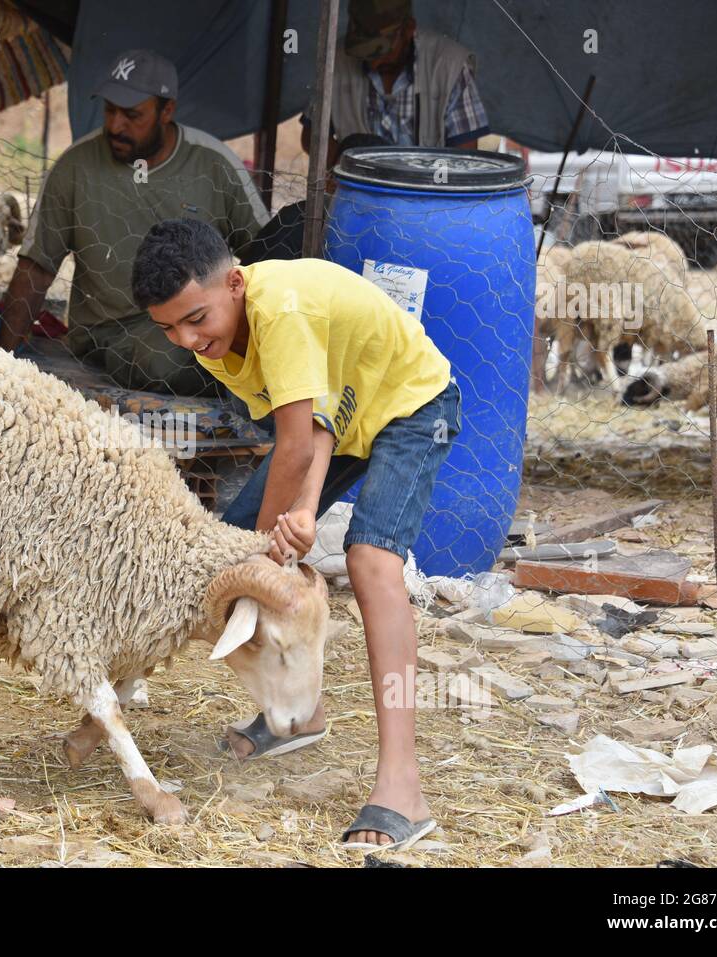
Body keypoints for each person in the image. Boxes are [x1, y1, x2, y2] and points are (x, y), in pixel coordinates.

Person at [131, 218, 461, 851]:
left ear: (234, 283)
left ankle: (403, 786)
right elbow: (318, 418)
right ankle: (301, 713)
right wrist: (298, 515)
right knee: (230, 541)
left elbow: (292, 445)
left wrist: (258, 561)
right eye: (168, 328)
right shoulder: (222, 337)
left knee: (369, 561)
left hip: (413, 406)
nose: (186, 340)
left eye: (196, 319)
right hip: (346, 413)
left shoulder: (278, 308)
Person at [0, 49, 269, 397]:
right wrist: (1, 361)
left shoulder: (214, 163)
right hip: (110, 331)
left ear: (166, 111)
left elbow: (265, 252)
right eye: (109, 110)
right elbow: (36, 268)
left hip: (195, 319)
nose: (115, 125)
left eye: (131, 115)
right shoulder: (75, 167)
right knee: (162, 361)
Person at [302, 0, 489, 152]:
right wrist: (341, 168)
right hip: (356, 193)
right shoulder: (336, 60)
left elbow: (465, 158)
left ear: (408, 29)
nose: (373, 63)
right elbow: (312, 136)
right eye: (365, 53)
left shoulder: (450, 67)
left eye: (381, 51)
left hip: (426, 194)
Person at [239, 132, 389, 266]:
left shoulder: (391, 232)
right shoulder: (296, 222)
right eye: (351, 183)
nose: (362, 196)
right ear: (329, 180)